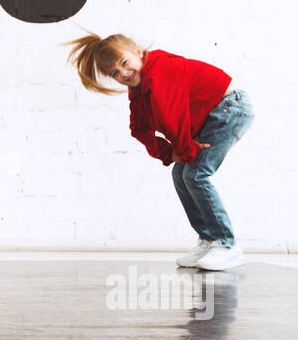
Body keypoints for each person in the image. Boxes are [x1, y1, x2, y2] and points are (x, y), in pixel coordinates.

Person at [67, 32, 253, 271]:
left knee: (195, 175)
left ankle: (227, 245)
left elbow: (169, 118)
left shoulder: (158, 71)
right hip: (213, 114)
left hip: (230, 108)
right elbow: (138, 128)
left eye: (124, 63)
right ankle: (208, 240)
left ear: (137, 50)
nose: (123, 74)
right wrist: (168, 153)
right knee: (180, 174)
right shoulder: (138, 87)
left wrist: (184, 149)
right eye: (115, 73)